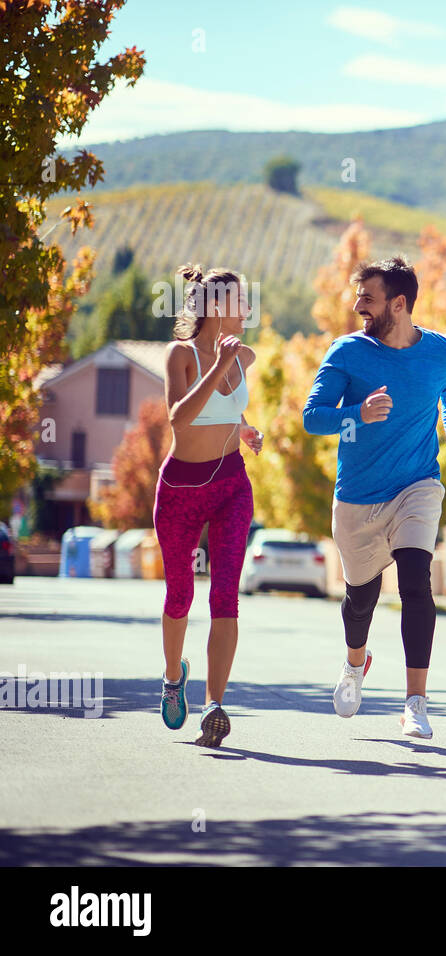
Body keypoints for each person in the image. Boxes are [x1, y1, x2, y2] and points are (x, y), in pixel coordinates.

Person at [303, 255, 446, 739]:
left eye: (368, 299)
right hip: (358, 496)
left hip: (417, 484)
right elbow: (314, 417)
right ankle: (356, 663)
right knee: (361, 599)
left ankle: (415, 703)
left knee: (417, 581)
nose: (358, 307)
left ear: (400, 304)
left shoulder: (443, 352)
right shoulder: (347, 352)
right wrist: (357, 412)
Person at [155, 264, 262, 748]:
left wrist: (243, 428)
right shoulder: (180, 355)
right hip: (180, 491)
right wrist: (218, 365)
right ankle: (174, 677)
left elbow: (226, 408)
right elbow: (179, 420)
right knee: (180, 596)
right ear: (216, 307)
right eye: (241, 300)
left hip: (231, 487)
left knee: (225, 596)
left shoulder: (246, 356)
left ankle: (214, 704)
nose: (248, 310)